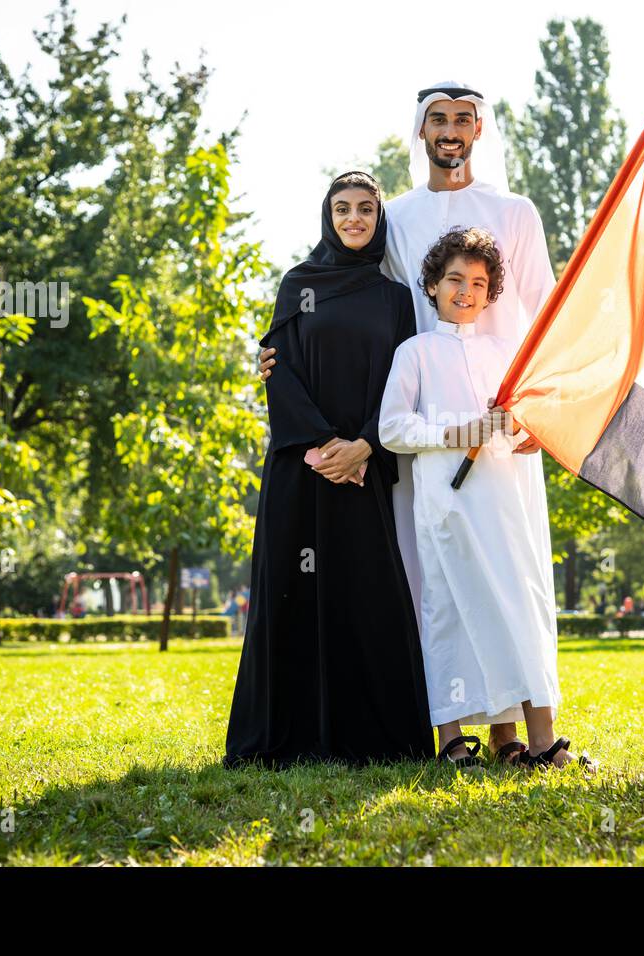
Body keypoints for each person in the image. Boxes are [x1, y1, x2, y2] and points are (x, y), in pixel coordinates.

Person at [259, 82, 567, 766]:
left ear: (480, 130)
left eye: (462, 119)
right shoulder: (394, 218)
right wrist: (286, 349)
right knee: (432, 587)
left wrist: (546, 411)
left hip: (502, 432)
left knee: (514, 583)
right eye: (438, 119)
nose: (450, 131)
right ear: (420, 132)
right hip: (412, 441)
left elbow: (547, 313)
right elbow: (360, 298)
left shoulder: (516, 212)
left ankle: (519, 736)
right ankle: (447, 734)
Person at [222, 171, 434, 768]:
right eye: (342, 209)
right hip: (302, 471)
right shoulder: (298, 285)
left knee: (367, 595)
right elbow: (278, 370)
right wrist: (323, 449)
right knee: (294, 595)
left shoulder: (394, 298)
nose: (354, 220)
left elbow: (403, 386)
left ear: (379, 219)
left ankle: (375, 740)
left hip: (365, 472)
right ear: (327, 216)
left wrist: (365, 446)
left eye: (366, 210)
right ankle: (287, 739)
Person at [379, 227, 591, 770]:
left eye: (478, 282)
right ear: (431, 284)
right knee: (449, 609)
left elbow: (527, 421)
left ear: (491, 292)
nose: (466, 291)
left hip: (504, 503)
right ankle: (451, 739)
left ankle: (541, 742)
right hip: (445, 507)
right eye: (455, 279)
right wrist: (456, 433)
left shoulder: (506, 353)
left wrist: (526, 428)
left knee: (519, 607)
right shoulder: (415, 353)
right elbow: (392, 429)